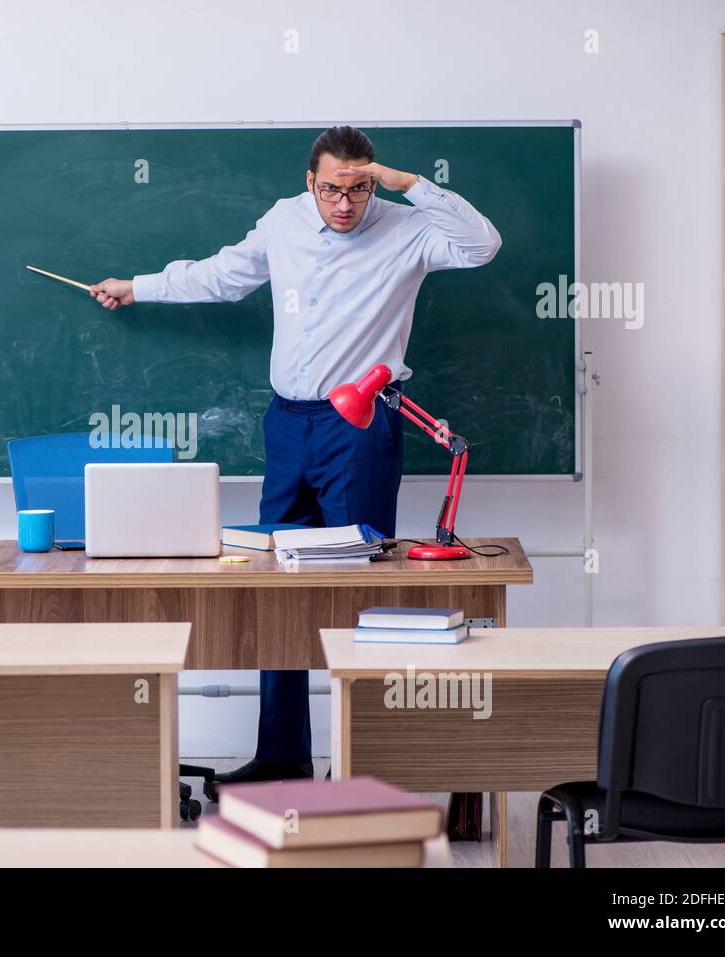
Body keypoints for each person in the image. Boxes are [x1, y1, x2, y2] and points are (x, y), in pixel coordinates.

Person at [88, 126, 501, 785]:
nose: (345, 204)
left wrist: (408, 185)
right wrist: (138, 286)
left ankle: (368, 769)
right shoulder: (284, 221)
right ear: (310, 182)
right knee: (273, 588)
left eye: (359, 188)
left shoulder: (407, 227)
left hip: (361, 426)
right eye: (333, 189)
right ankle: (282, 760)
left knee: (359, 592)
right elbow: (222, 276)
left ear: (374, 181)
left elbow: (484, 245)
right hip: (287, 425)